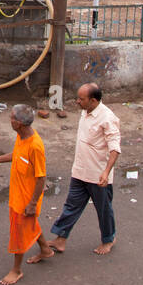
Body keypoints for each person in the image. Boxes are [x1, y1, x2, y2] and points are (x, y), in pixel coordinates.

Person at [0, 104, 55, 285]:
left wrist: (32, 204)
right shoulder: (21, 136)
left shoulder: (35, 146)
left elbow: (41, 178)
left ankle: (16, 270)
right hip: (17, 193)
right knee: (29, 224)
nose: (10, 120)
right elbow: (17, 155)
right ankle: (46, 250)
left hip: (26, 199)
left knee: (18, 233)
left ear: (20, 123)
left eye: (12, 118)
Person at [48, 83, 121, 256]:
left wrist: (106, 172)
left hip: (98, 175)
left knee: (103, 209)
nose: (77, 102)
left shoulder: (107, 118)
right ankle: (61, 239)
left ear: (93, 101)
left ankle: (109, 239)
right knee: (71, 206)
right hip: (80, 171)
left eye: (81, 99)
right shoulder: (85, 111)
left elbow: (115, 148)